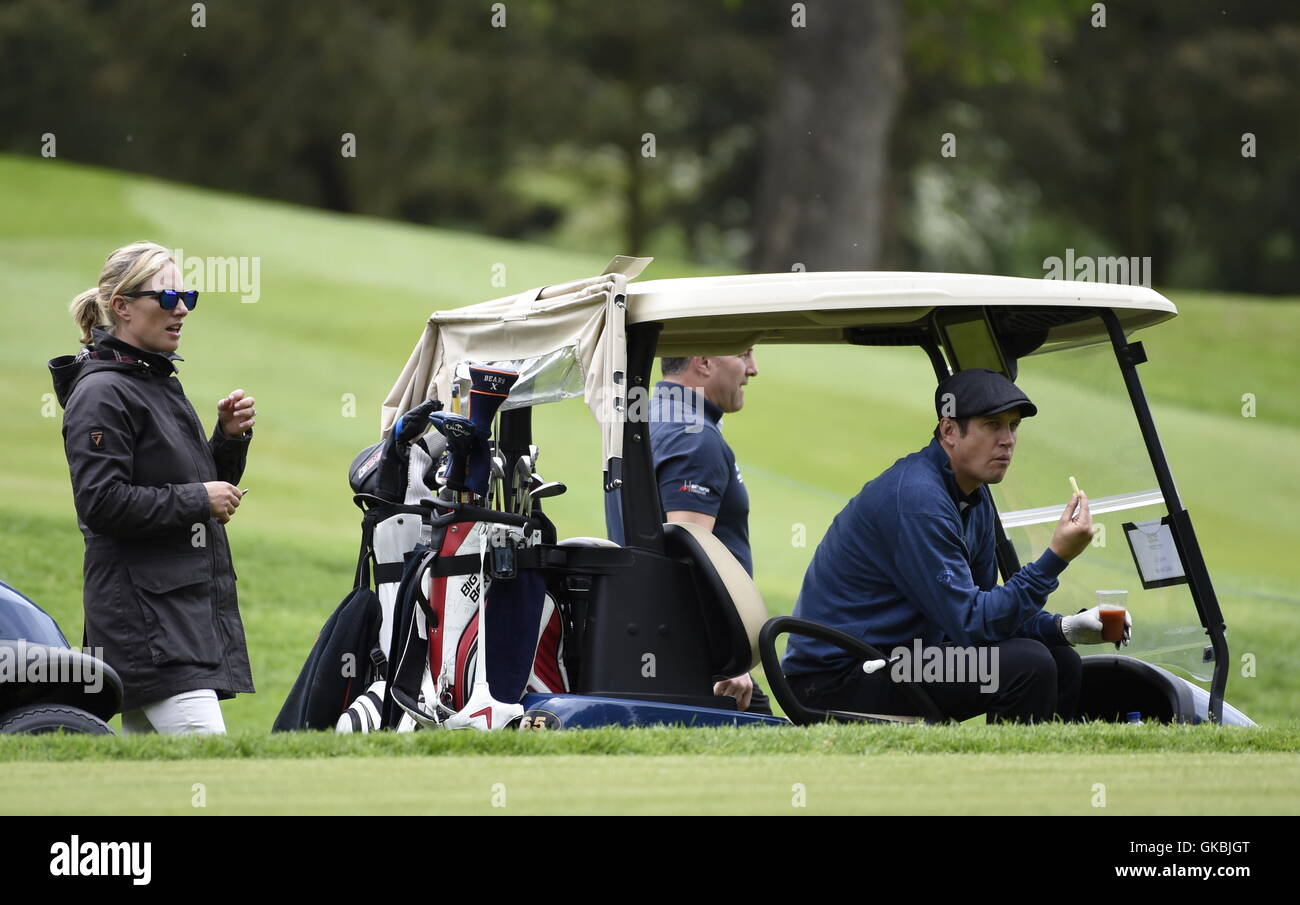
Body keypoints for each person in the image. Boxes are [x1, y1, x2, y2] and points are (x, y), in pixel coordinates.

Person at [781, 368, 1131, 723]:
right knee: (1029, 664)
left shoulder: (973, 497)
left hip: (902, 660)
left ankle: (1053, 771)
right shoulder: (919, 498)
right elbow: (972, 625)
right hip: (837, 678)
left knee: (1060, 657)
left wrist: (1064, 627)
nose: (1007, 439)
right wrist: (1056, 558)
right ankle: (1011, 776)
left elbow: (982, 607)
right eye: (993, 424)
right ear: (949, 431)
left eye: (1013, 426)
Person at [49, 241, 257, 734]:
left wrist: (227, 440)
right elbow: (102, 503)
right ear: (121, 306)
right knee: (211, 768)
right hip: (148, 622)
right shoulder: (102, 393)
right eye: (165, 297)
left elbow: (197, 484)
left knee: (155, 780)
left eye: (186, 295)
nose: (181, 308)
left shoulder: (153, 380)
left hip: (172, 617)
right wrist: (200, 497)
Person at [651, 350, 771, 715]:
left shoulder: (651, 415)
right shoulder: (693, 435)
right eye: (744, 354)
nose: (753, 369)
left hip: (661, 641)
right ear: (703, 362)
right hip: (701, 660)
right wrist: (726, 659)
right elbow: (688, 555)